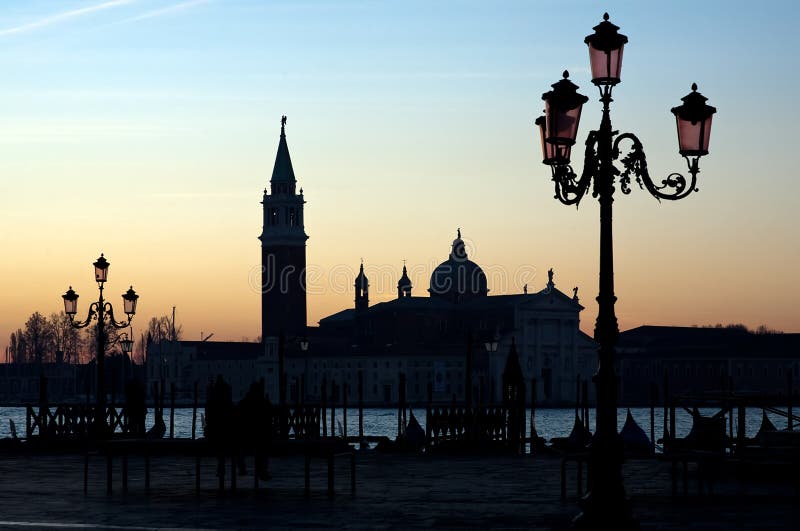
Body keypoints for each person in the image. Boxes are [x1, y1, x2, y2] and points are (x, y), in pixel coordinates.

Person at [205, 375, 234, 478]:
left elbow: (207, 419)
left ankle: (221, 467)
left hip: (215, 432)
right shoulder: (228, 403)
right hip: (225, 432)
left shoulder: (211, 403)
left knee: (219, 449)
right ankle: (223, 467)